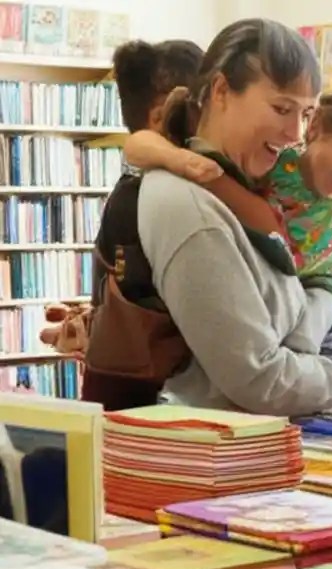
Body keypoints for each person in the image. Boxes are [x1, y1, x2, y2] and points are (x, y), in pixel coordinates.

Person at [127, 18, 332, 415]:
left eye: (307, 114)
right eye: (281, 108)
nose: (295, 133)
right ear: (221, 90)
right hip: (212, 460)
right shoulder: (190, 206)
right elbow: (260, 380)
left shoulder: (264, 188)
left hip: (256, 455)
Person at [124, 72, 332, 313]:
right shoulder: (271, 159)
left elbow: (305, 261)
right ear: (317, 125)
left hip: (320, 309)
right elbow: (137, 146)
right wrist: (180, 160)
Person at [38, 39, 204, 411]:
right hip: (143, 399)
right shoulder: (155, 195)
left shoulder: (135, 188)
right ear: (163, 115)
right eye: (206, 108)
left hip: (126, 388)